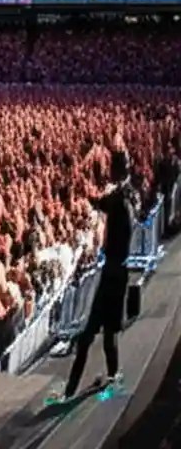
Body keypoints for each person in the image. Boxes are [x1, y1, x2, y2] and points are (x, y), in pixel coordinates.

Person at [59, 139, 139, 401]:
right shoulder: (130, 195)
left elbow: (97, 201)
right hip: (120, 272)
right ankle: (113, 376)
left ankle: (71, 390)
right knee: (109, 334)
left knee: (88, 336)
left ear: (116, 172)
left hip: (112, 275)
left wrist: (81, 183)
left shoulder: (117, 200)